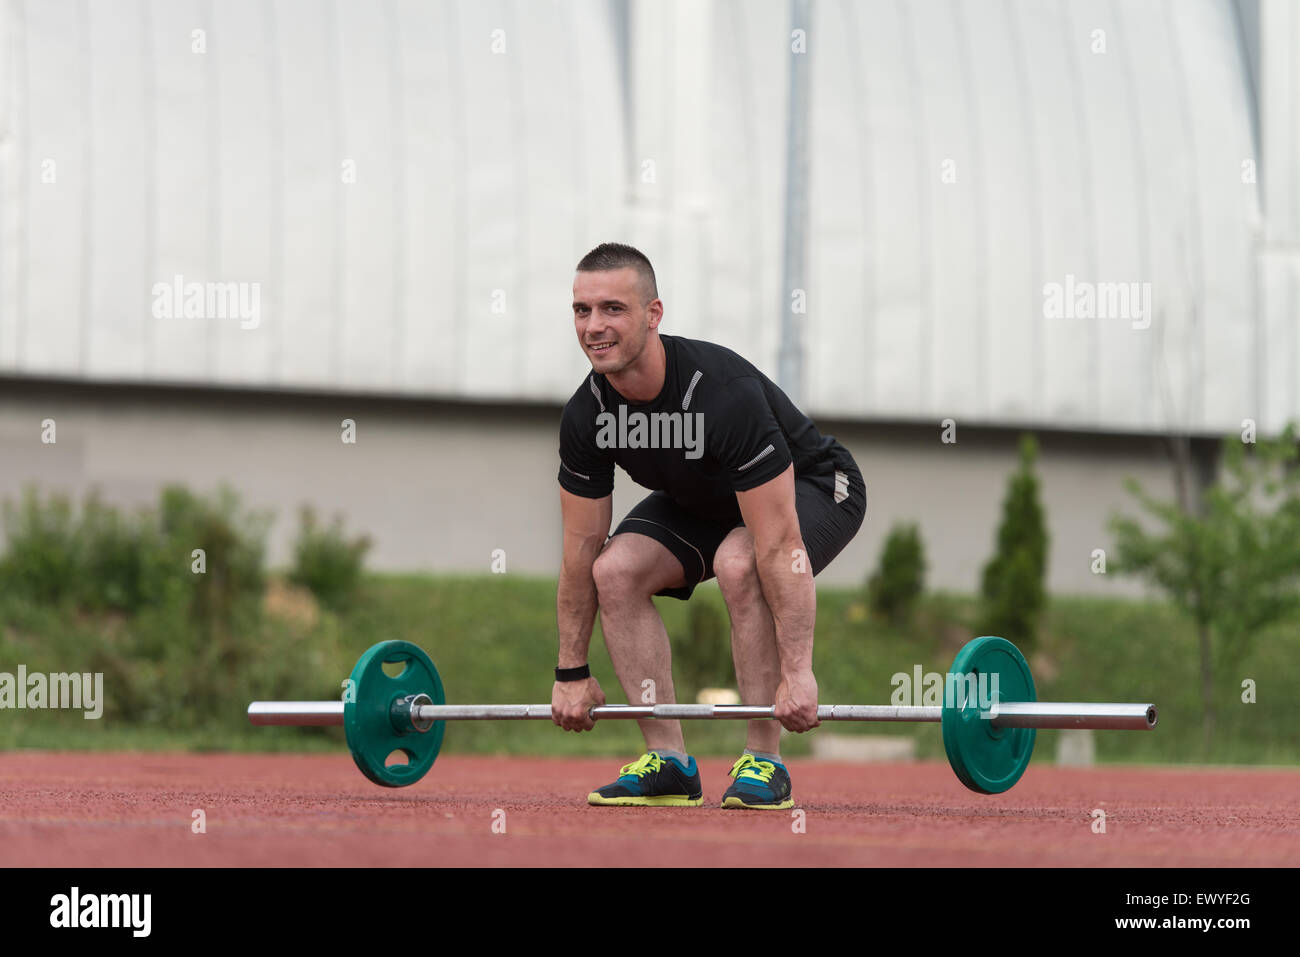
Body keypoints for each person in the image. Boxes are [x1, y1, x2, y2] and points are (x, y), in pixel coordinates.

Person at [552, 242, 866, 809]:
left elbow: (777, 545)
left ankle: (763, 761)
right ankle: (670, 763)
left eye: (613, 309)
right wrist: (571, 669)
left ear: (653, 314)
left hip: (815, 486)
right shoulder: (587, 416)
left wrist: (798, 674)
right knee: (615, 570)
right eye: (582, 310)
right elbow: (580, 550)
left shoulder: (720, 394)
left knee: (740, 562)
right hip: (706, 501)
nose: (594, 326)